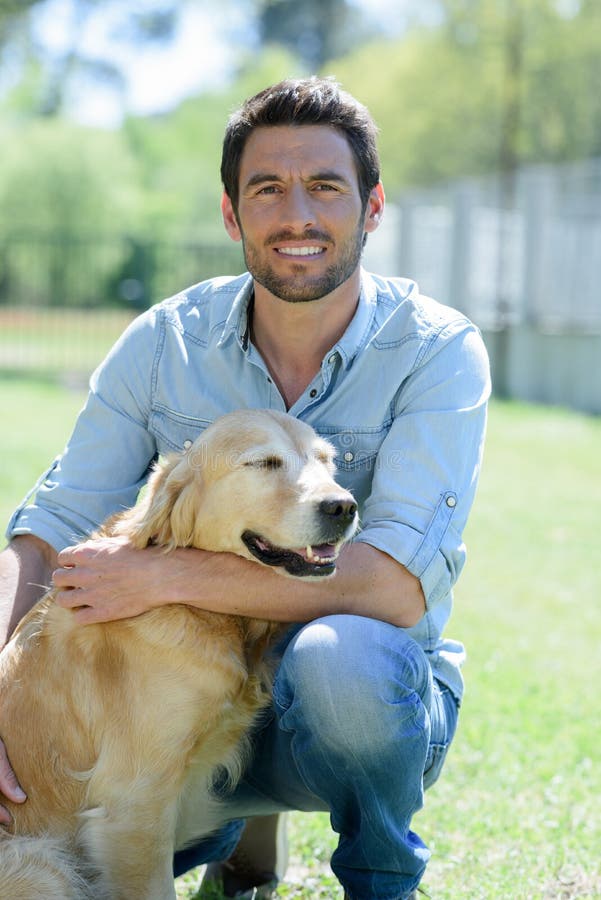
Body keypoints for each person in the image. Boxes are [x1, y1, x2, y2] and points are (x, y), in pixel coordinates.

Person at [0, 77, 490, 900]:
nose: (296, 214)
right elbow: (48, 526)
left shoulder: (436, 350)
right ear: (232, 215)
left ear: (371, 210)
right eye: (267, 188)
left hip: (360, 707)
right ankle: (229, 836)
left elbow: (394, 588)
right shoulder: (162, 342)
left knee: (345, 661)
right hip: (174, 717)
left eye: (326, 187)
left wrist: (162, 573)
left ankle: (379, 879)